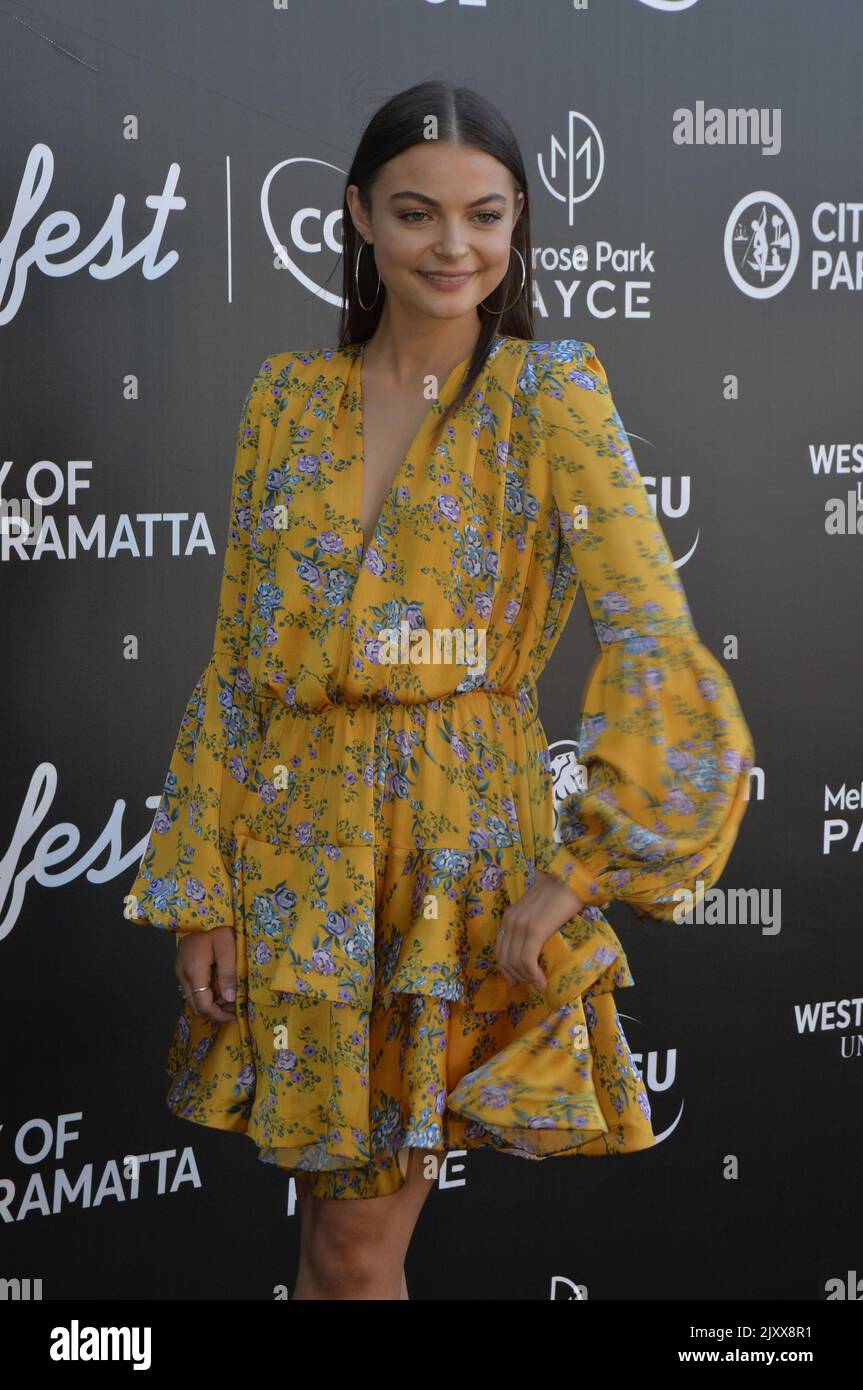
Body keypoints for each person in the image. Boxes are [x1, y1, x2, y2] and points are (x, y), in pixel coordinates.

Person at [123, 81, 755, 1300]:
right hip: (293, 851)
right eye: (415, 213)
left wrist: (580, 872)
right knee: (325, 1247)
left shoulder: (545, 395)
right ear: (358, 214)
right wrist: (203, 884)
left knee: (359, 1252)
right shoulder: (283, 403)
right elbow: (235, 661)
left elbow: (652, 636)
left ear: (517, 223)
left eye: (483, 215)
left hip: (450, 857)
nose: (451, 246)